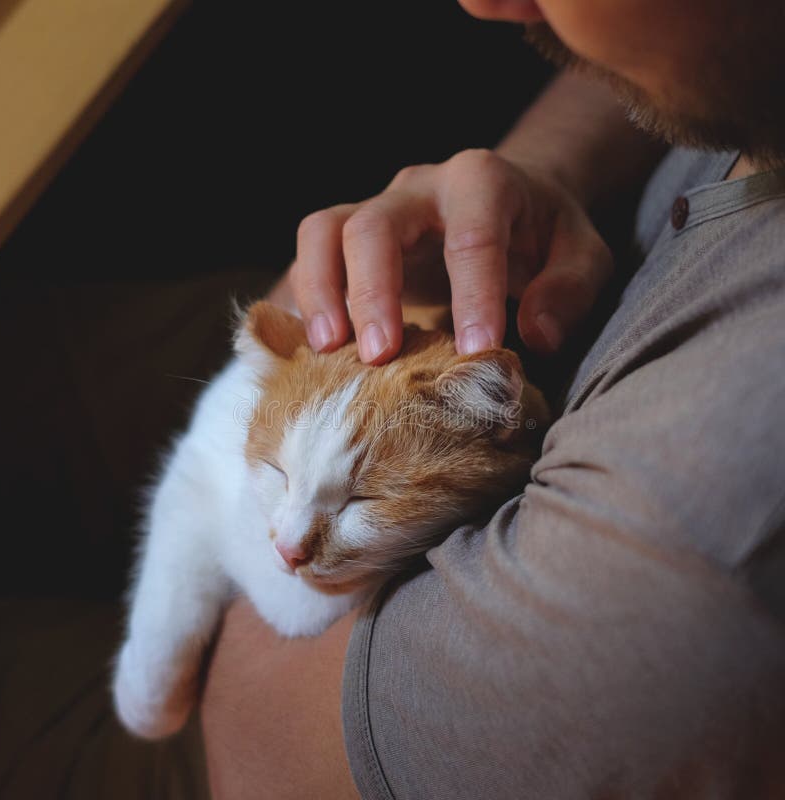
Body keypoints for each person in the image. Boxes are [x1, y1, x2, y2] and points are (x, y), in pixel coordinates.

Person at [202, 2, 785, 798]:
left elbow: (254, 754)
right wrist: (549, 167)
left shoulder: (676, 544)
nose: (480, 3)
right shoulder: (747, 74)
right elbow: (708, 51)